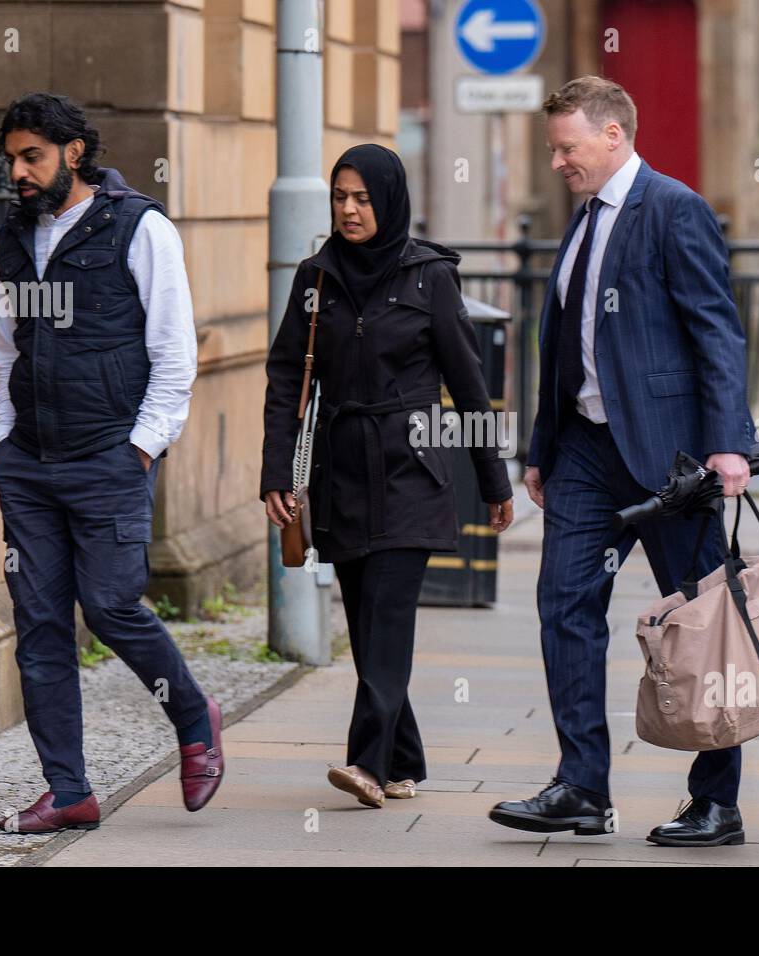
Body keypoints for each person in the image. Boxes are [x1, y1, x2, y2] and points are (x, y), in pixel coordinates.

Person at [487, 77, 756, 847]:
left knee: (702, 625)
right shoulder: (580, 221)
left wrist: (728, 442)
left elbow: (718, 334)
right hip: (584, 454)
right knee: (565, 608)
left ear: (613, 135)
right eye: (552, 149)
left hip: (670, 460)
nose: (558, 162)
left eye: (567, 147)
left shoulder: (675, 209)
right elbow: (562, 348)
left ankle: (717, 803)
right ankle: (581, 787)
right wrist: (543, 449)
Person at [0, 93, 222, 833]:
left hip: (108, 454)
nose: (19, 173)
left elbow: (174, 351)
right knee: (39, 626)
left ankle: (193, 714)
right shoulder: (12, 235)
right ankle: (69, 791)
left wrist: (141, 447)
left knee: (114, 605)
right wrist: (3, 436)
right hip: (28, 461)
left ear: (74, 153)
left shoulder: (139, 226)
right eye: (12, 159)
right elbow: (3, 344)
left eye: (32, 157)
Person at [260, 144, 514, 809]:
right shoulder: (316, 277)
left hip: (412, 466)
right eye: (339, 198)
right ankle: (404, 761)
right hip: (341, 470)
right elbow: (288, 378)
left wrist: (494, 480)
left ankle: (366, 762)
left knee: (389, 616)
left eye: (361, 199)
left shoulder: (430, 276)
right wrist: (277, 472)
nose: (348, 210)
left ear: (389, 200)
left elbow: (468, 381)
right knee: (369, 623)